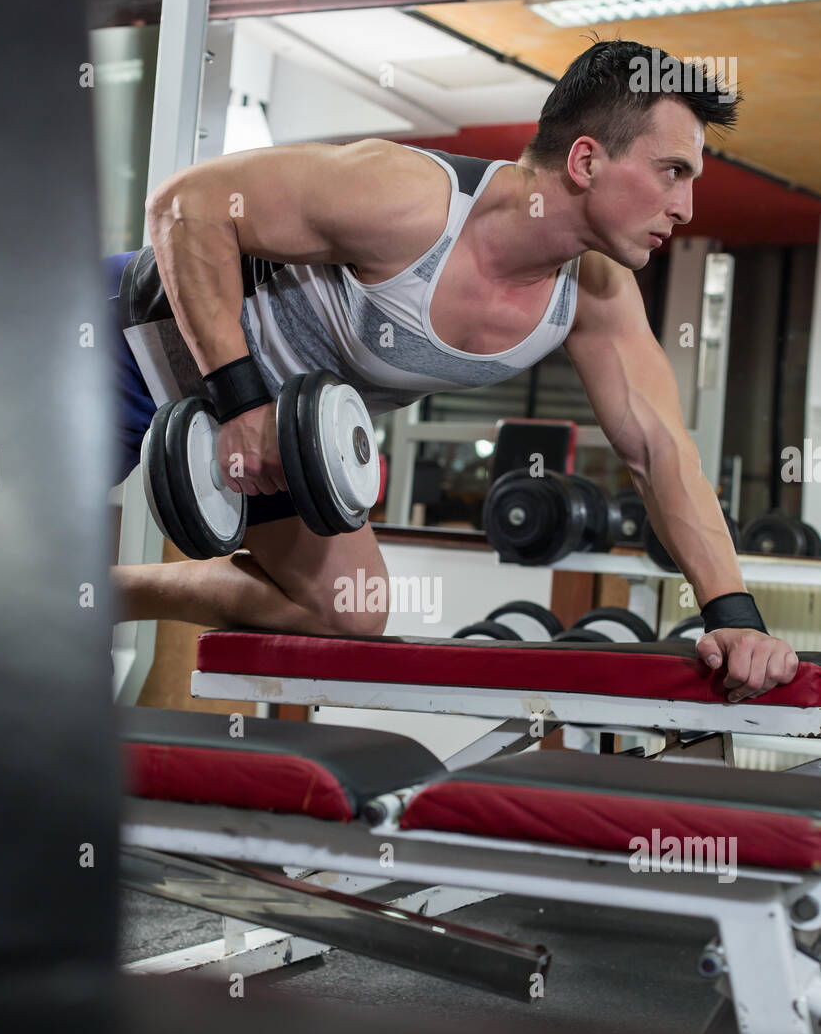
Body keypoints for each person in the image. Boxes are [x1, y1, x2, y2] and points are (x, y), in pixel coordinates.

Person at [109, 38, 798, 700]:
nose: (684, 206)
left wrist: (734, 617)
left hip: (272, 431)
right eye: (672, 172)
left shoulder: (597, 297)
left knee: (352, 610)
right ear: (586, 161)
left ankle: (111, 594)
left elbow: (662, 451)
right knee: (9, 530)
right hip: (138, 343)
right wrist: (241, 401)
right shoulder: (410, 201)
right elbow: (185, 207)